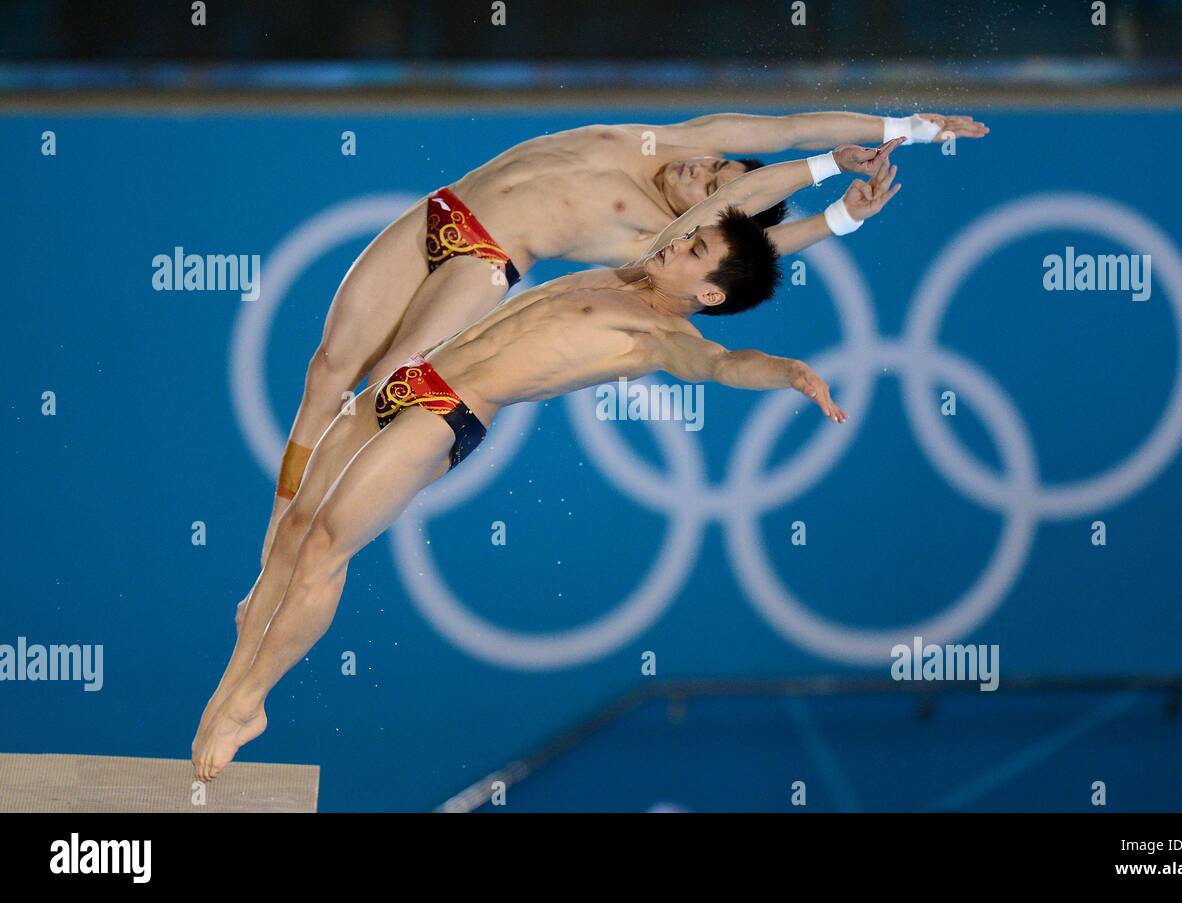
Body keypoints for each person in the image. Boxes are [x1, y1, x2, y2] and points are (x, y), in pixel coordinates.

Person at [193, 141, 906, 781]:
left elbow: (725, 365)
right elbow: (729, 209)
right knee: (286, 543)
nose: (677, 243)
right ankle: (230, 692)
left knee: (322, 544)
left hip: (447, 414)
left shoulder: (661, 335)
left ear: (709, 294)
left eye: (693, 254)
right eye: (685, 236)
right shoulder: (632, 269)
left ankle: (247, 703)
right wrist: (835, 202)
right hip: (410, 378)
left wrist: (785, 370)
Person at [264, 111, 987, 562]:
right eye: (713, 165)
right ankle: (282, 522)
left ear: (715, 220)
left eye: (714, 189)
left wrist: (842, 216)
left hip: (482, 262)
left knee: (389, 382)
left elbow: (761, 243)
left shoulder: (658, 243)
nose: (701, 170)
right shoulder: (672, 140)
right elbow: (788, 128)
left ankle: (295, 546)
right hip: (445, 209)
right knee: (328, 367)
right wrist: (902, 126)